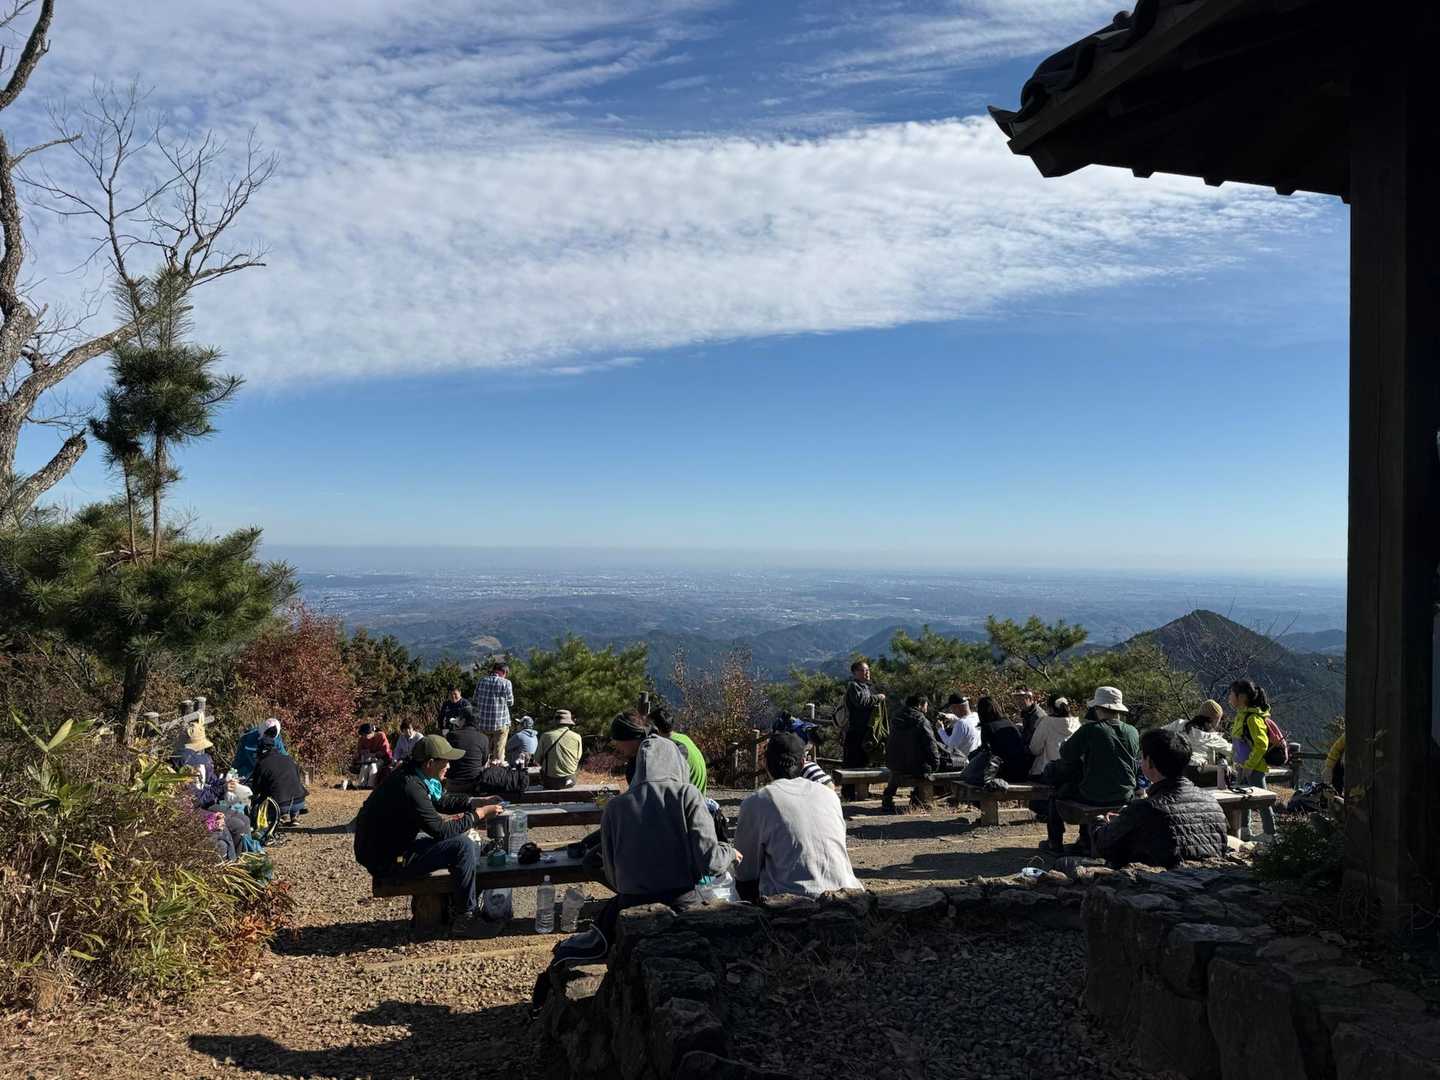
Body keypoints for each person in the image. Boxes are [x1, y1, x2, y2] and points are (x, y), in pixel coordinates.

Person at [353, 734, 504, 937]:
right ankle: (465, 918)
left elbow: (442, 802)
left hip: (392, 847)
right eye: (446, 762)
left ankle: (457, 902)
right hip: (387, 860)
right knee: (463, 846)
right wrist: (479, 814)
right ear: (430, 762)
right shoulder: (410, 786)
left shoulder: (415, 776)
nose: (449, 767)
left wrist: (475, 802)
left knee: (465, 842)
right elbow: (440, 831)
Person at [596, 728, 735, 943]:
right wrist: (730, 851)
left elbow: (612, 875)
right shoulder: (686, 795)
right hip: (682, 904)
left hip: (630, 906)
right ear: (677, 762)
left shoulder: (614, 807)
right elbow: (710, 863)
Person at [734, 732, 860, 899]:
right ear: (803, 763)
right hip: (848, 893)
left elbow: (745, 871)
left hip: (793, 903)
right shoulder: (829, 795)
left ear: (765, 763)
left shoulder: (757, 801)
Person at [1092, 728, 1229, 868]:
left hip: (1160, 883)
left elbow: (1103, 845)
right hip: (1211, 878)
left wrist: (1100, 822)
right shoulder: (1211, 802)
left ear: (1150, 762)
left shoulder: (1145, 808)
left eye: (1142, 757)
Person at [1042, 687, 1140, 855]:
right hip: (1125, 794)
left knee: (1057, 794)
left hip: (1094, 796)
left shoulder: (1091, 730)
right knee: (1085, 784)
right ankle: (1085, 840)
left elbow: (1066, 754)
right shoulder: (1133, 731)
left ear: (1097, 708)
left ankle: (1055, 843)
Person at [1228, 679, 1277, 841]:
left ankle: (1270, 834)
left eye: (1232, 694)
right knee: (1244, 799)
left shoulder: (1252, 718)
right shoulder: (1241, 716)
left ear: (1241, 697)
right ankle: (1245, 830)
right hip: (1242, 766)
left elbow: (1261, 745)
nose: (1229, 698)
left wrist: (1249, 765)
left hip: (1254, 767)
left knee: (1262, 800)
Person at [882, 693, 944, 812]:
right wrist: (936, 763)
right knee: (926, 768)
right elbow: (931, 744)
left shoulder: (896, 718)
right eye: (926, 705)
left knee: (897, 771)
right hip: (915, 766)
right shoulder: (921, 720)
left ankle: (887, 798)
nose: (926, 708)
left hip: (894, 763)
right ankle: (917, 796)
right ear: (920, 705)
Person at [250, 733, 309, 825]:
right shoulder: (288, 759)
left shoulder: (262, 764)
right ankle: (294, 815)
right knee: (287, 788)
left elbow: (256, 788)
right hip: (300, 801)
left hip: (279, 805)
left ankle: (279, 816)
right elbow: (297, 779)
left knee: (266, 796)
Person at [976, 695, 1033, 781]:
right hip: (1023, 771)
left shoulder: (988, 728)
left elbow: (987, 755)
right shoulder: (1009, 723)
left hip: (1006, 772)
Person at [651, 707, 708, 793]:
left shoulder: (669, 746)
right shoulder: (683, 738)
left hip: (687, 802)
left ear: (655, 729)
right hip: (698, 797)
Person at [841, 660, 885, 769]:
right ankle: (849, 786)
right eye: (864, 670)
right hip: (855, 733)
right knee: (853, 765)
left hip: (864, 733)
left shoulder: (866, 687)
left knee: (863, 764)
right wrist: (878, 697)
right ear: (855, 672)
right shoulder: (854, 686)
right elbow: (861, 703)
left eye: (868, 670)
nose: (867, 673)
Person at [1163, 700, 1233, 767]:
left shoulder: (1179, 724)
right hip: (1197, 773)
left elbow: (1157, 733)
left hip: (1174, 767)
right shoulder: (1212, 738)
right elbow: (1234, 752)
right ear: (1214, 719)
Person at [471, 661, 515, 764]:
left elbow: (475, 700)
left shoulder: (481, 681)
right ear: (503, 672)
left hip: (482, 724)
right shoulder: (506, 683)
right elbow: (510, 702)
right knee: (499, 751)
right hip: (500, 723)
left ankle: (482, 771)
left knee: (483, 750)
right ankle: (497, 774)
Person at [1029, 696, 1080, 777]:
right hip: (1071, 773)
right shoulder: (1077, 724)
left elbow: (1034, 749)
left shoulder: (1047, 722)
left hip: (1049, 772)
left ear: (1051, 709)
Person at [535, 709, 584, 789]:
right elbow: (578, 758)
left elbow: (537, 759)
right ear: (569, 722)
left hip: (549, 782)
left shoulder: (546, 736)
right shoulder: (577, 737)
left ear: (555, 722)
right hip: (569, 781)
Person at [937, 694, 981, 759]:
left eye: (951, 708)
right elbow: (967, 722)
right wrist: (952, 717)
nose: (952, 710)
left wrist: (940, 729)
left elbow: (950, 746)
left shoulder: (961, 724)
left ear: (956, 707)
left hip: (964, 763)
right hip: (976, 759)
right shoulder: (976, 716)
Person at [351, 723, 393, 789]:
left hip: (381, 758)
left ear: (372, 732)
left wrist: (374, 754)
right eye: (363, 735)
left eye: (365, 735)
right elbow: (359, 750)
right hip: (367, 759)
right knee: (364, 767)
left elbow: (385, 751)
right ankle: (361, 785)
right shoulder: (362, 738)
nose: (364, 736)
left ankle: (370, 785)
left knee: (373, 766)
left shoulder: (381, 735)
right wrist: (363, 752)